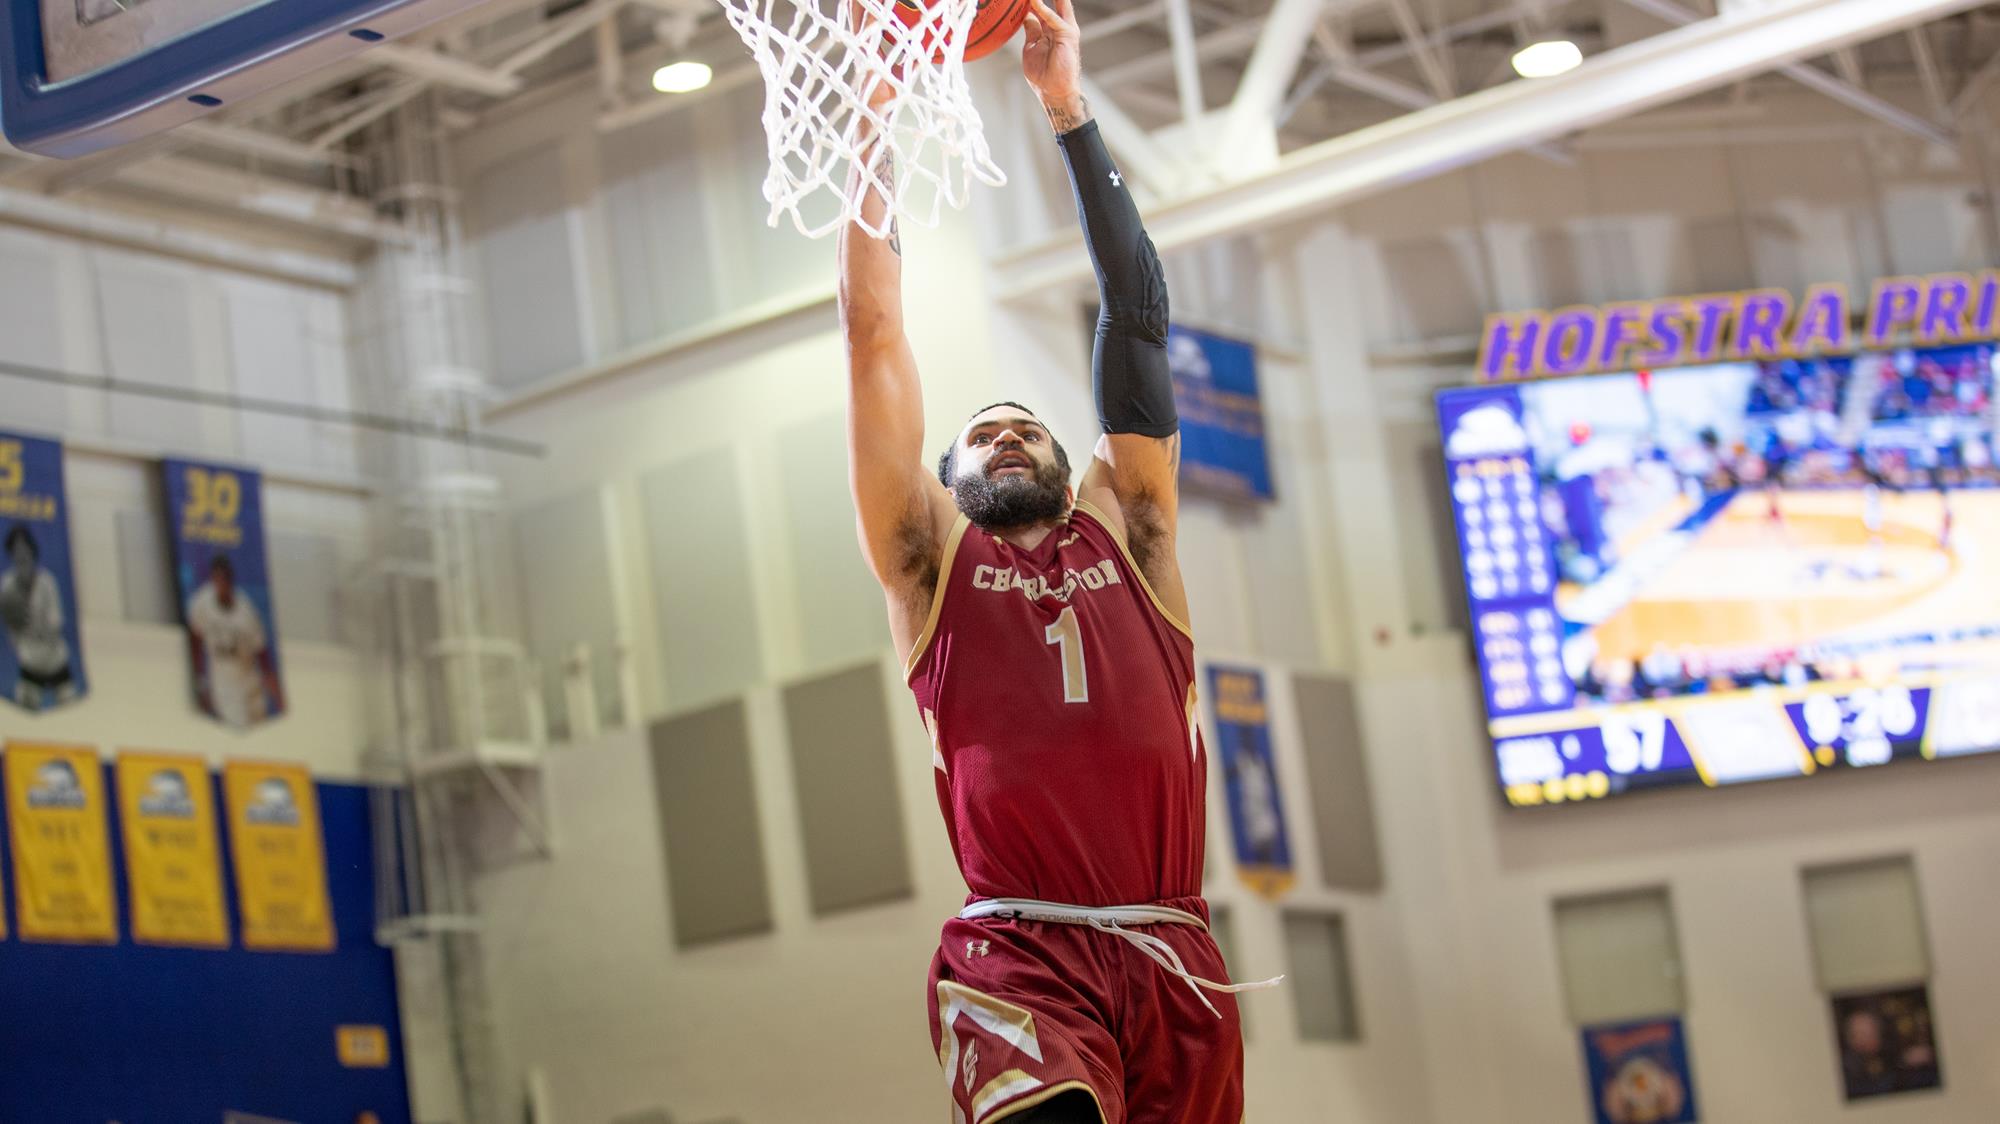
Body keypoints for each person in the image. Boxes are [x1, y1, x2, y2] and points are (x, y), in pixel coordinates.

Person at [837, 0, 1263, 1119]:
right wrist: (874, 112)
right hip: (1018, 952)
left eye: (1025, 425)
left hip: (1173, 951)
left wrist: (1067, 107)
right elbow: (873, 336)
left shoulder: (1134, 528)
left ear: (1074, 468)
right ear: (947, 479)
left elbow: (1137, 313)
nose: (1007, 434)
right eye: (982, 433)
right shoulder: (928, 561)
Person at [185, 555, 283, 728]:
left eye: (225, 579)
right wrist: (200, 683)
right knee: (236, 729)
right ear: (213, 580)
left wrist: (278, 697)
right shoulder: (201, 603)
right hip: (224, 684)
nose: (221, 584)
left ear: (230, 580)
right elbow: (195, 643)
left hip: (251, 682)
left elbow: (263, 655)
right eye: (217, 579)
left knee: (261, 733)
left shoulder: (246, 609)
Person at [0, 523, 77, 709]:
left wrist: (44, 631)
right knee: (25, 703)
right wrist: (21, 643)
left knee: (68, 703)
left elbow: (56, 620)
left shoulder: (46, 581)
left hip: (55, 659)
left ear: (31, 549)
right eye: (16, 549)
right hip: (29, 660)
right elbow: (10, 626)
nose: (21, 553)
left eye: (24, 548)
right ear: (11, 553)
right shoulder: (7, 586)